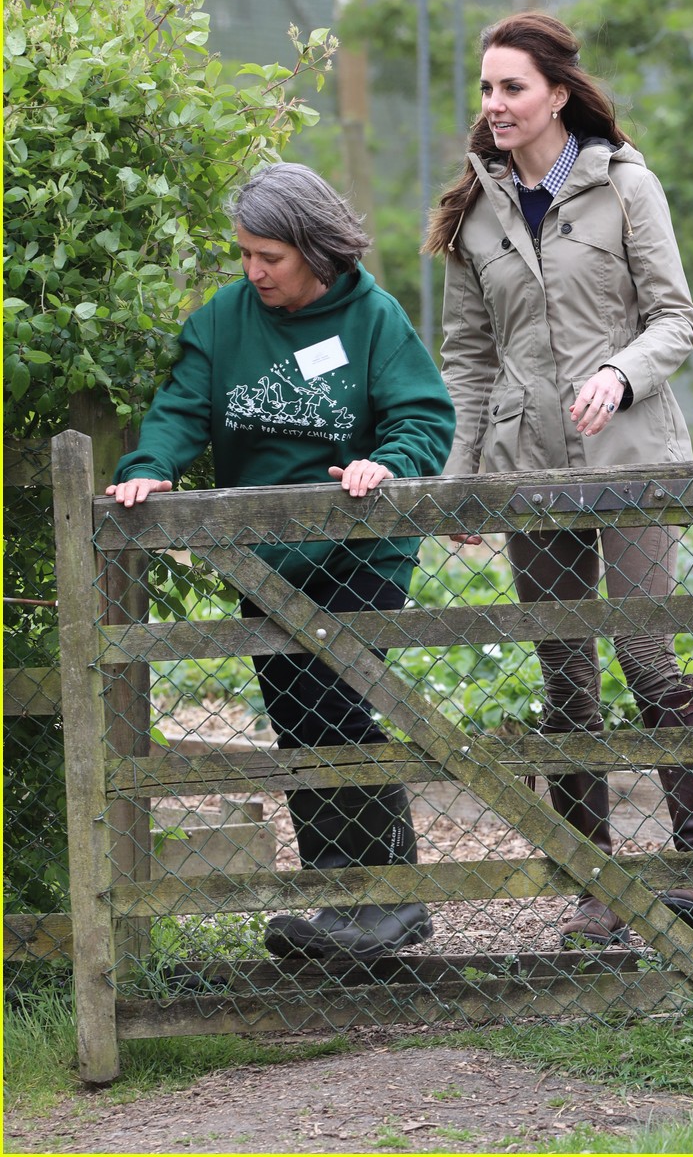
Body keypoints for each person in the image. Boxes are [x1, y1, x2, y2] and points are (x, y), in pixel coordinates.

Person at [424, 11, 693, 946]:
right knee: (565, 677)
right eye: (485, 88)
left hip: (632, 461)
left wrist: (618, 371)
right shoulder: (474, 211)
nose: (495, 104)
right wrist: (461, 480)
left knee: (646, 658)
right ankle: (596, 888)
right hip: (526, 471)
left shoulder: (625, 187)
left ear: (557, 93)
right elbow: (467, 360)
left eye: (511, 86)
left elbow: (674, 319)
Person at [108, 163, 456, 960]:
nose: (253, 270)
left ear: (314, 248)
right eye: (245, 254)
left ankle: (390, 900)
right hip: (263, 559)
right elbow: (181, 407)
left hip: (362, 547)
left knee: (339, 708)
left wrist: (387, 463)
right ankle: (339, 899)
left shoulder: (373, 318)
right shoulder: (227, 318)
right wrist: (149, 464)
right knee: (295, 721)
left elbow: (422, 415)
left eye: (269, 256)